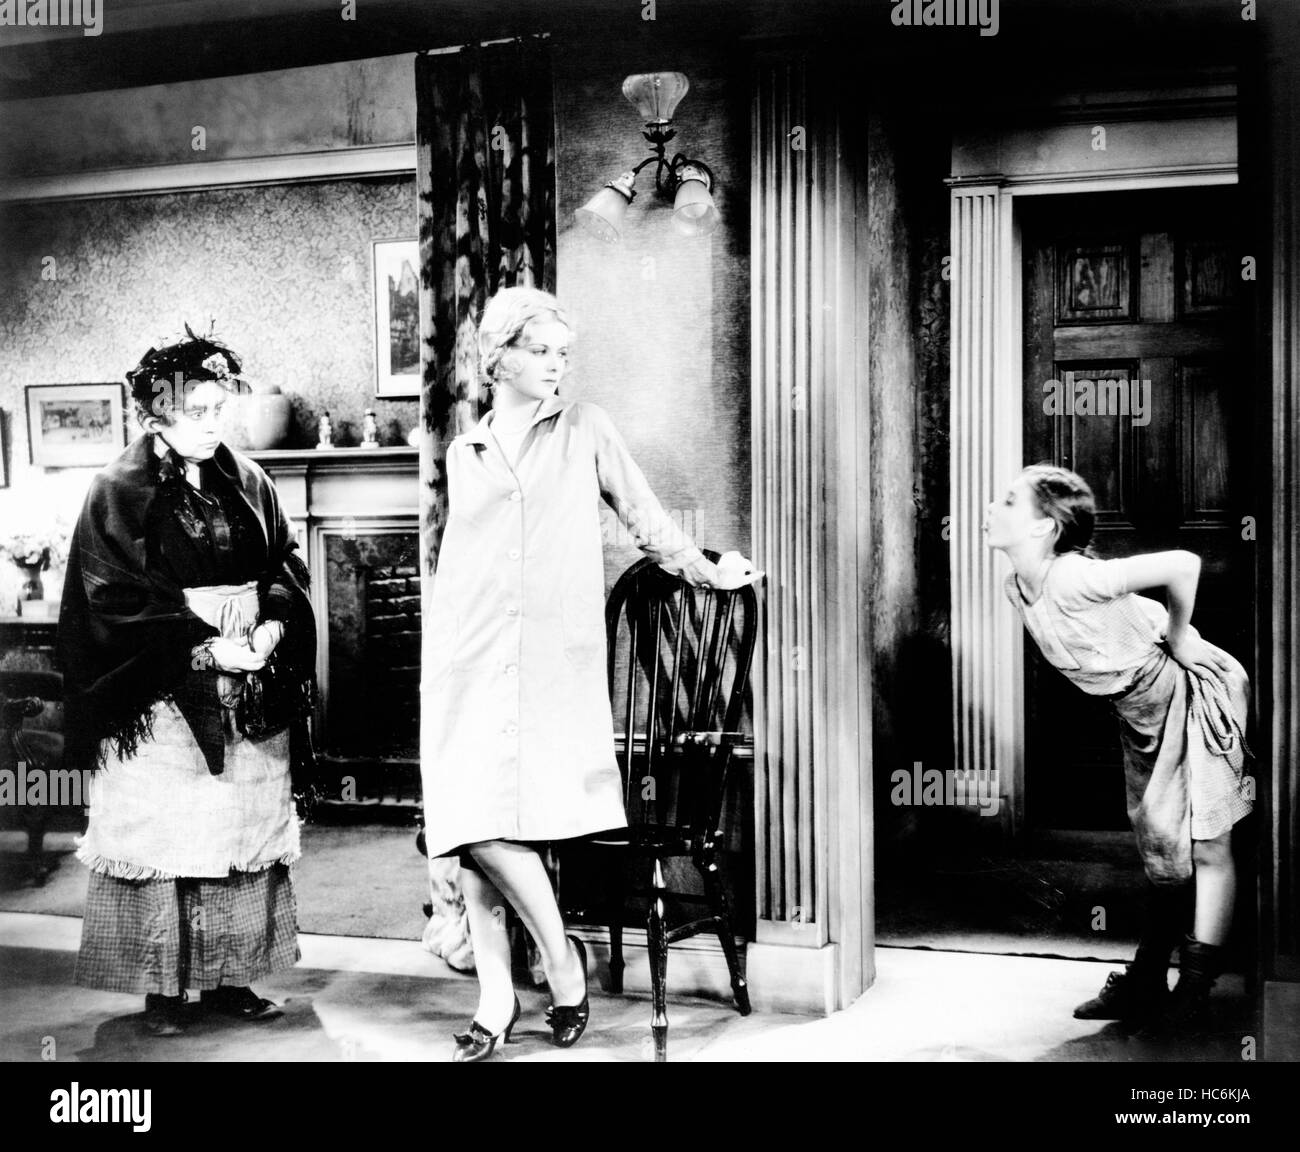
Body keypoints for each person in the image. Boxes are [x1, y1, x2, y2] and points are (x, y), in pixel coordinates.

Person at [421, 286, 760, 1061]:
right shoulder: (464, 450)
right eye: (540, 350)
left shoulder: (585, 429)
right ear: (497, 356)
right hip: (468, 662)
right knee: (472, 825)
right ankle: (502, 994)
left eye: (563, 354)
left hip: (548, 669)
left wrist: (708, 572)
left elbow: (645, 517)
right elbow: (460, 571)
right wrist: (440, 675)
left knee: (494, 831)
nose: (555, 366)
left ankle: (552, 973)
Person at [58, 327, 317, 1036]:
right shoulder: (116, 490)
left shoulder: (250, 479)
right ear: (154, 418)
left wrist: (272, 628)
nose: (214, 424)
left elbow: (285, 568)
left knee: (239, 826)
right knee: (170, 833)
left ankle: (233, 979)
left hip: (250, 678)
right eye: (196, 412)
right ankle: (165, 992)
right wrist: (204, 649)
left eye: (218, 409)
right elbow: (113, 596)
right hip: (161, 686)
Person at [984, 464, 1253, 1037]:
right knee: (1163, 846)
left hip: (1191, 695)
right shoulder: (1018, 585)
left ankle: (1196, 990)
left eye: (1009, 502)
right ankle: (1148, 978)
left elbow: (1184, 564)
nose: (991, 508)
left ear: (1044, 528)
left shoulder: (1068, 578)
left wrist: (1180, 636)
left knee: (1207, 843)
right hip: (1141, 712)